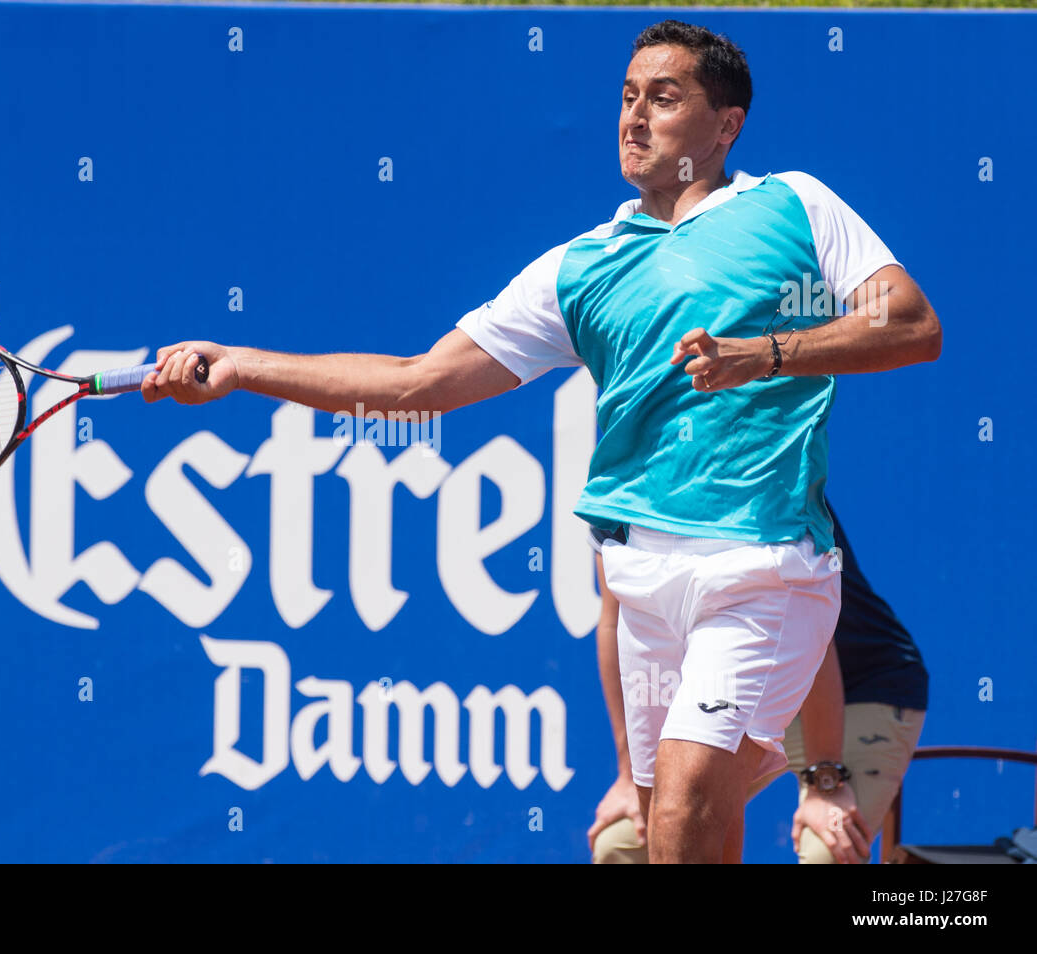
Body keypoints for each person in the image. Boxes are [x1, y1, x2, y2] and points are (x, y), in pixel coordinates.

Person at [140, 19, 942, 862]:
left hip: (760, 567)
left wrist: (766, 353)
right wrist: (242, 366)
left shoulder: (794, 205)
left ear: (726, 124)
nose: (635, 118)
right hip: (644, 580)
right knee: (660, 821)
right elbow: (418, 382)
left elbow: (912, 323)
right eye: (627, 98)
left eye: (664, 98)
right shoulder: (581, 265)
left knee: (690, 793)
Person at [589, 500, 929, 863]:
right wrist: (629, 776)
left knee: (827, 852)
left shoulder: (755, 468)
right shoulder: (621, 476)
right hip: (741, 697)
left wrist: (825, 779)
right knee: (624, 844)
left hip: (857, 692)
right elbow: (614, 622)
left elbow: (806, 629)